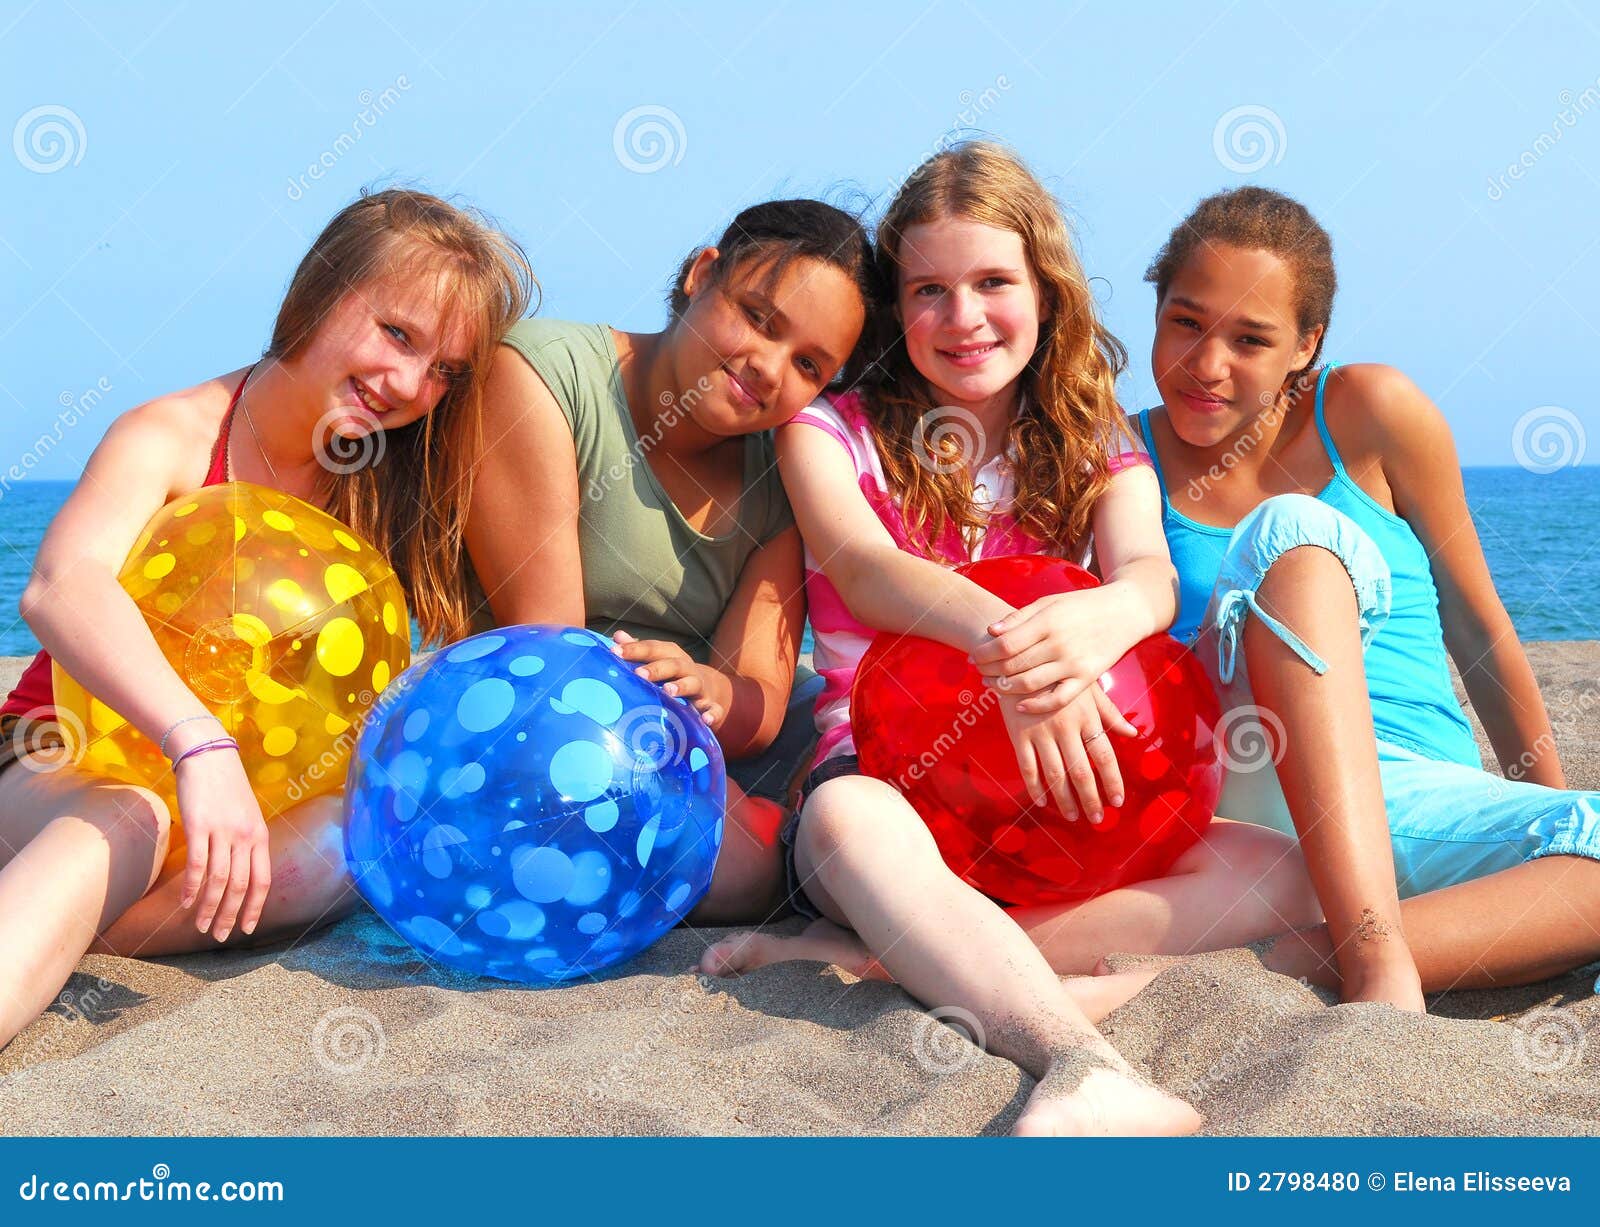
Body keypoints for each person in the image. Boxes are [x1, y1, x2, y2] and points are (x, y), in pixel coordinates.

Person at [700, 144, 1222, 1133]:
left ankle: (918, 950)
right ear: (896, 310)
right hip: (886, 786)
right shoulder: (828, 431)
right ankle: (1076, 1060)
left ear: (1046, 289)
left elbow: (1147, 575)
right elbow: (861, 568)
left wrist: (1108, 615)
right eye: (928, 290)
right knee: (847, 823)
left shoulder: (1093, 434)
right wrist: (1017, 650)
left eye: (993, 282)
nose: (964, 317)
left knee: (1274, 870)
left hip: (1064, 806)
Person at [0, 188, 534, 1050]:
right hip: (54, 756)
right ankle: (53, 903)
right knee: (133, 814)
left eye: (444, 370)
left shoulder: (387, 488)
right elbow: (60, 587)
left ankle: (74, 921)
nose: (408, 384)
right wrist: (198, 745)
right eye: (397, 334)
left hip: (241, 807)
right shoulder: (168, 434)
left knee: (354, 845)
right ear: (319, 293)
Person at [465, 199, 874, 922]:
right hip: (541, 729)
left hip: (696, 739)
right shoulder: (545, 376)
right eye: (758, 318)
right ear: (702, 273)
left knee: (876, 749)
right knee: (744, 871)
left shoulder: (783, 469)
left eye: (808, 364)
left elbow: (760, 704)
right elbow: (548, 648)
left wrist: (713, 689)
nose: (768, 366)